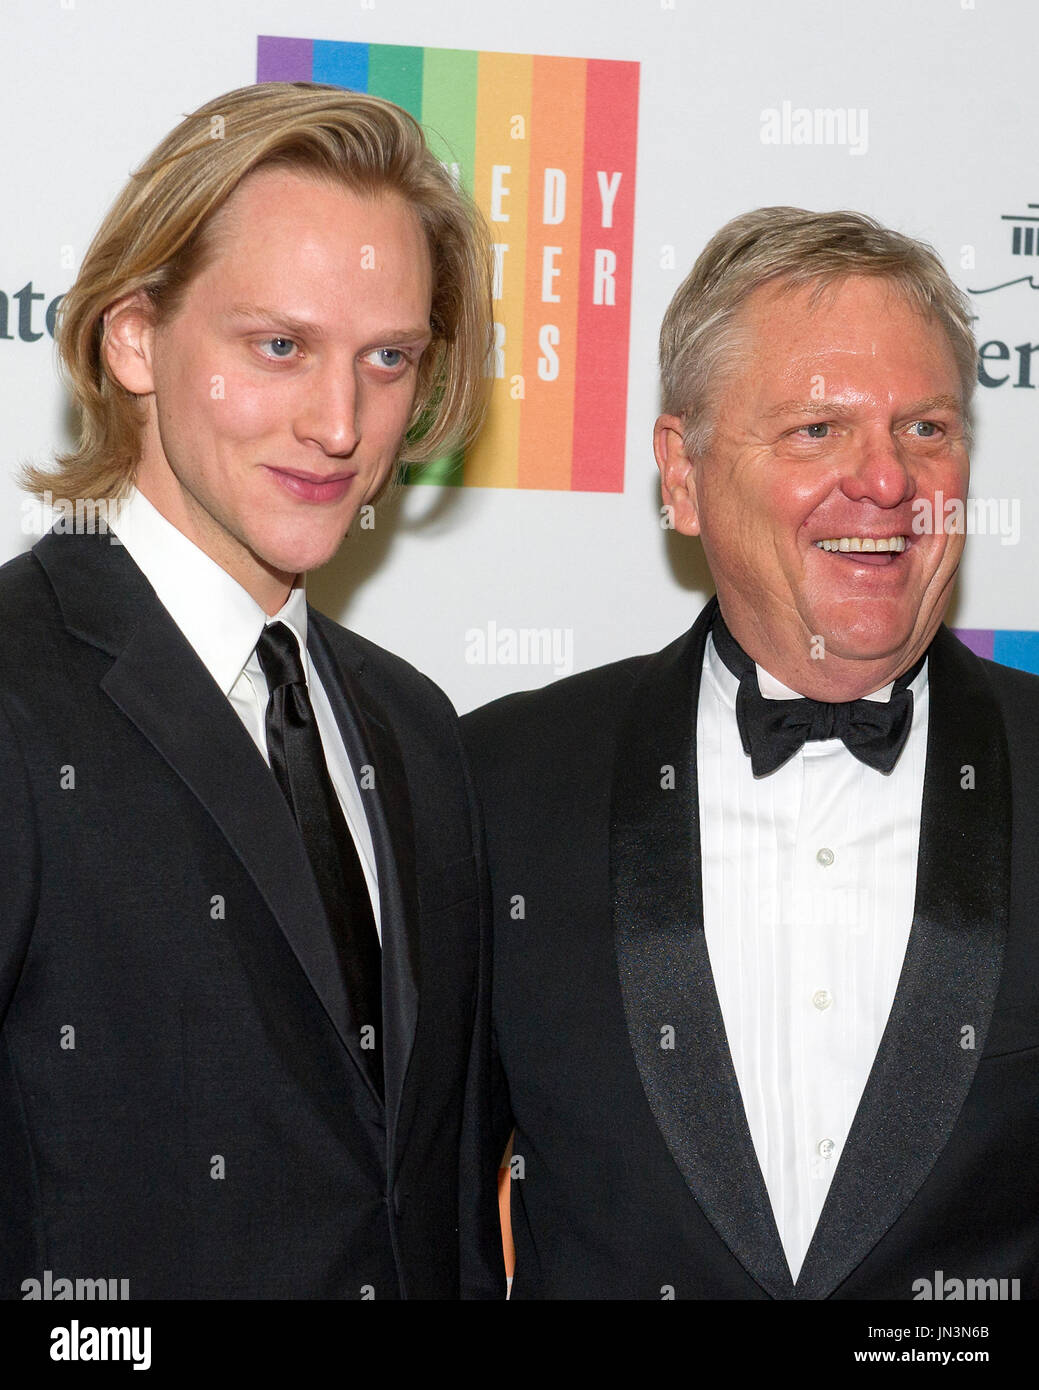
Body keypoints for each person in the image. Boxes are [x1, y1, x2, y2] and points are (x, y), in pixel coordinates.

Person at [463, 207, 1039, 1300]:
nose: (885, 483)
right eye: (815, 430)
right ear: (680, 474)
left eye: (925, 428)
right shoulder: (503, 784)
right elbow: (423, 1215)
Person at [0, 81, 503, 1300]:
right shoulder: (16, 692)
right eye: (279, 346)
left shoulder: (415, 729)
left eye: (388, 358)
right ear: (134, 339)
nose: (340, 424)